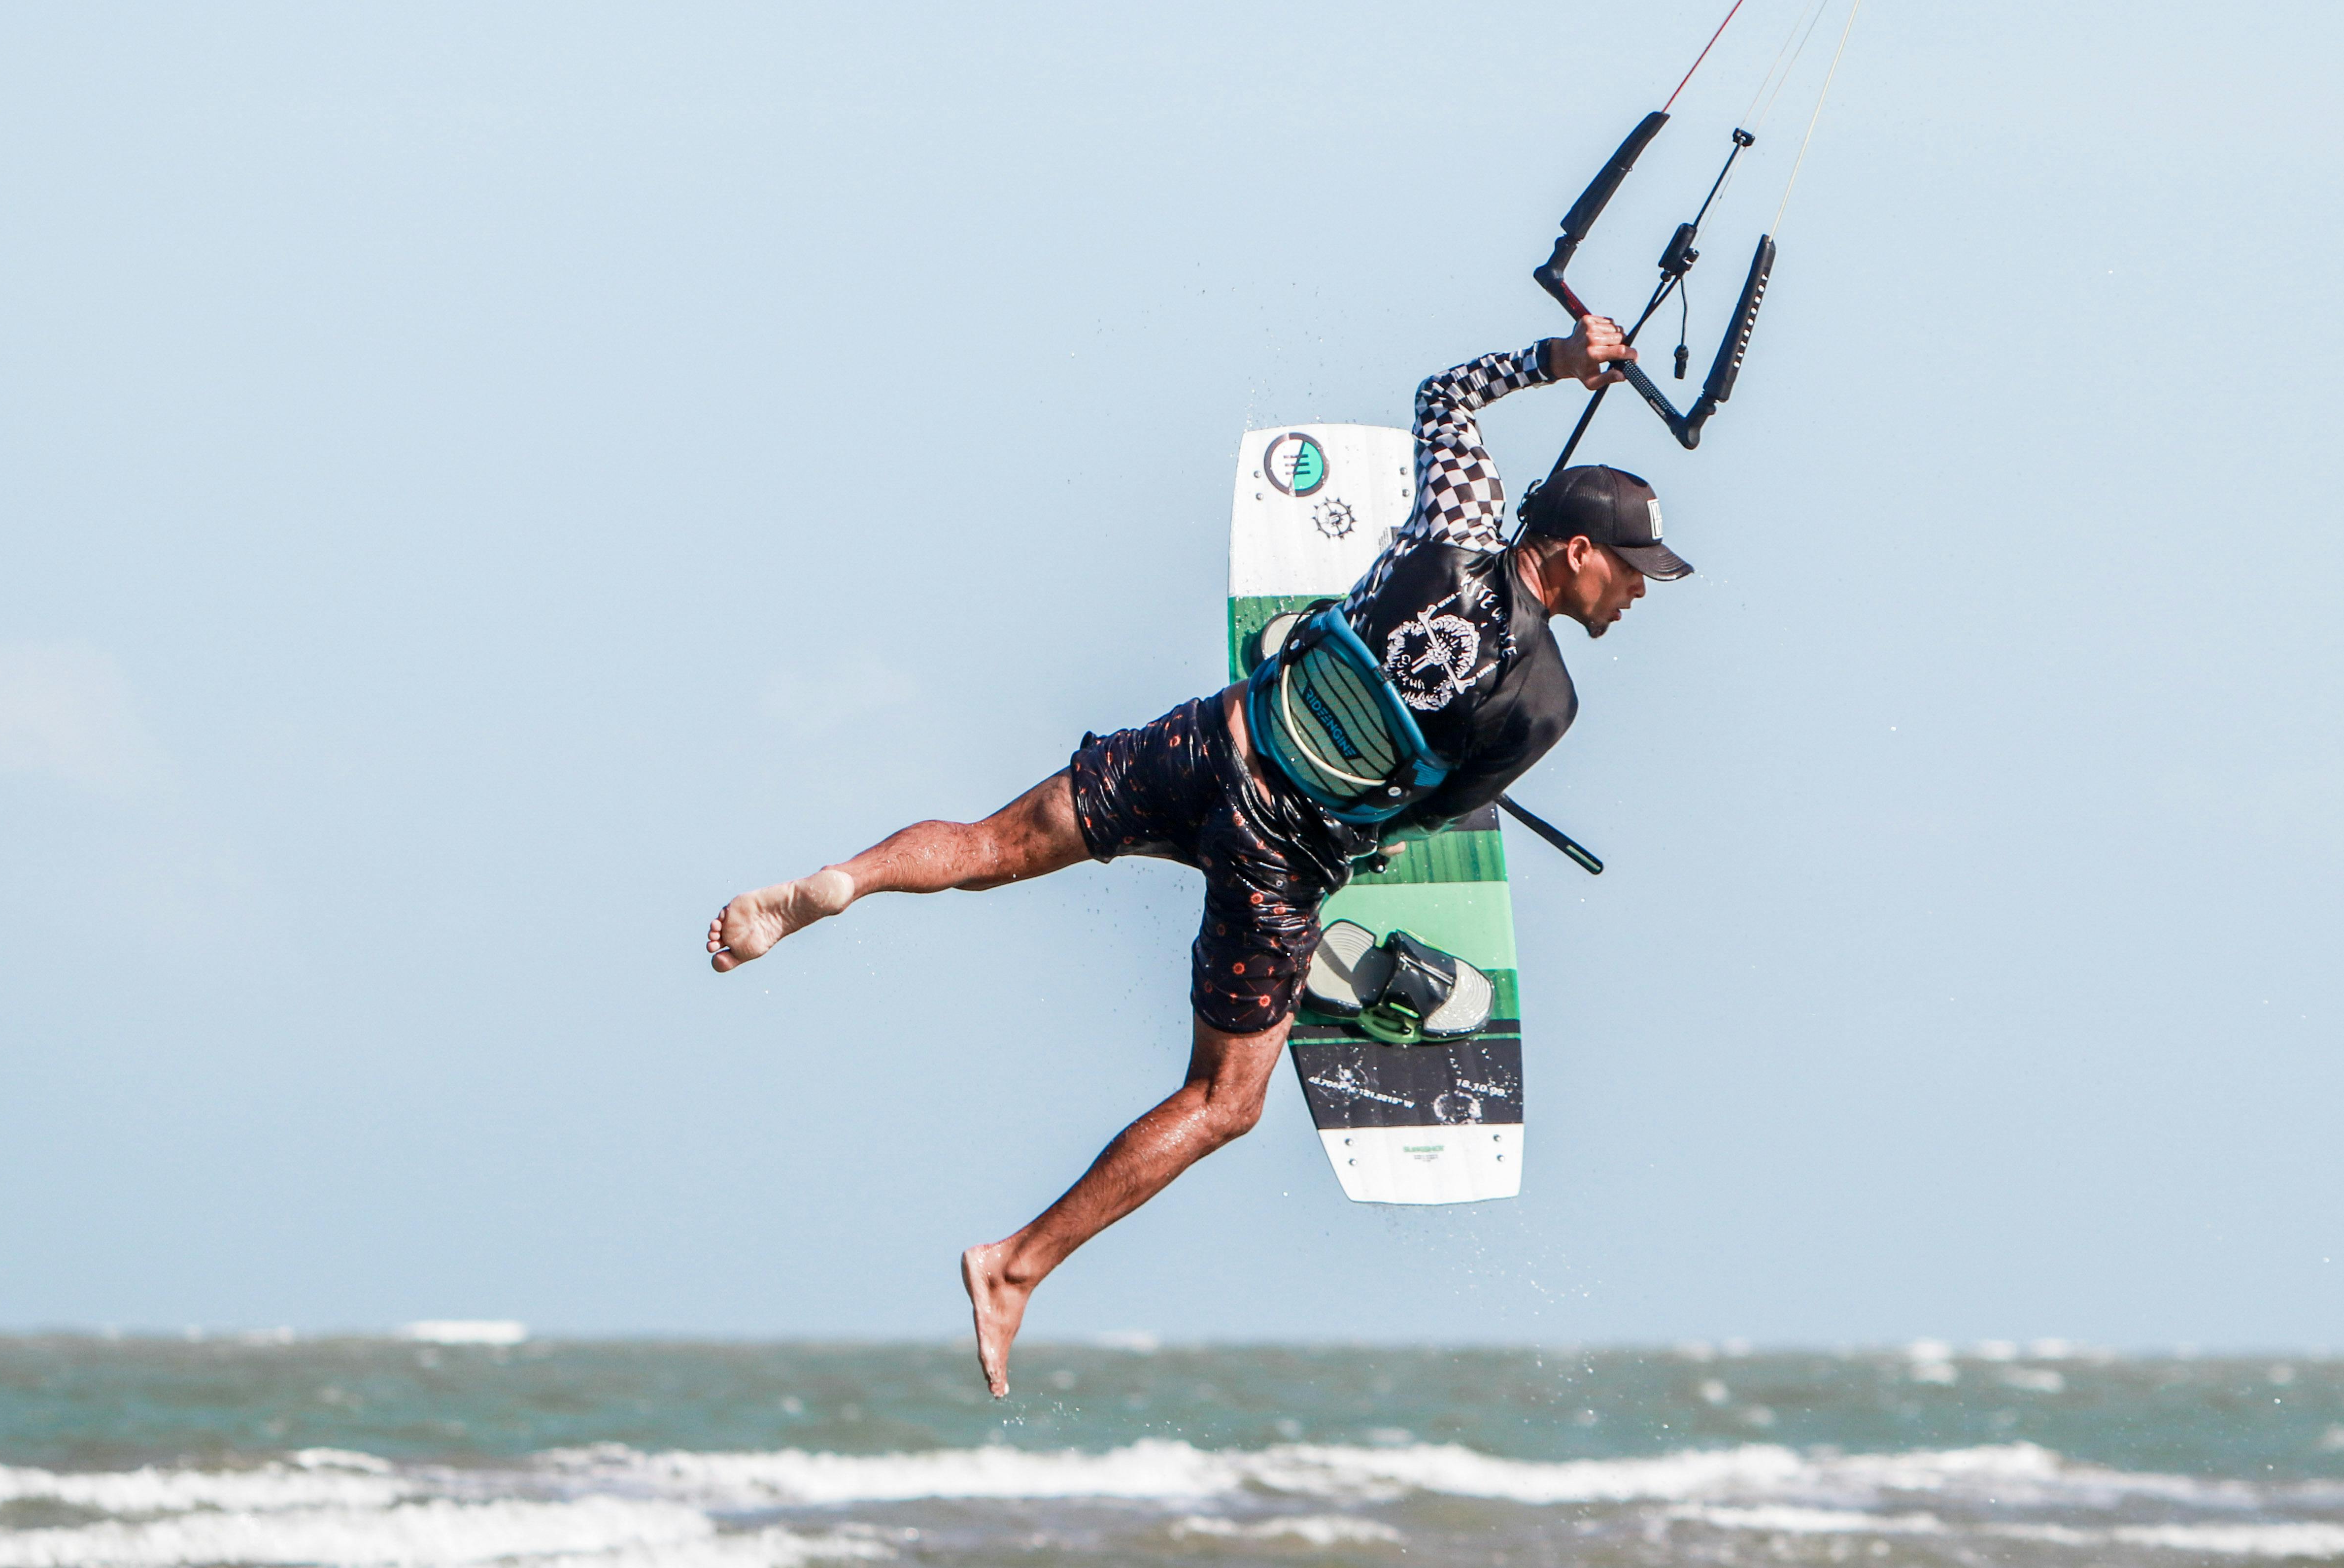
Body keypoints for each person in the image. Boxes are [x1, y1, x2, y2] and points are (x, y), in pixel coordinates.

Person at [703, 314, 1694, 1395]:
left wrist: (1560, 358)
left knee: (996, 842)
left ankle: (845, 879)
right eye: (1634, 570)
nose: (1641, 590)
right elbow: (1425, 813)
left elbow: (1444, 394)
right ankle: (1014, 1267)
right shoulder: (1547, 705)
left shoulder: (1453, 527)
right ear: (1579, 550)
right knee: (1226, 1099)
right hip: (1281, 863)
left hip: (1210, 745)